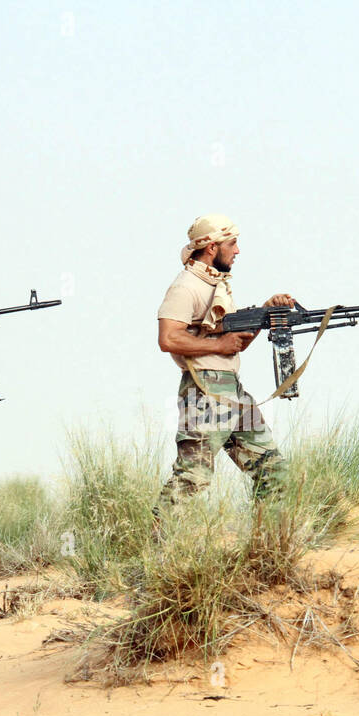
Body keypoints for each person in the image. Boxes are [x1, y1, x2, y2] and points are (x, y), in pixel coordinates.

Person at [155, 213, 295, 509]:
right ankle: (157, 541)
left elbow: (236, 344)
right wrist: (219, 343)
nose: (237, 251)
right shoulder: (186, 287)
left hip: (231, 389)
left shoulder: (216, 285)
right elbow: (168, 338)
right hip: (205, 391)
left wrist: (265, 314)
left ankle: (268, 540)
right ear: (212, 248)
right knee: (192, 478)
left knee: (273, 470)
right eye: (232, 243)